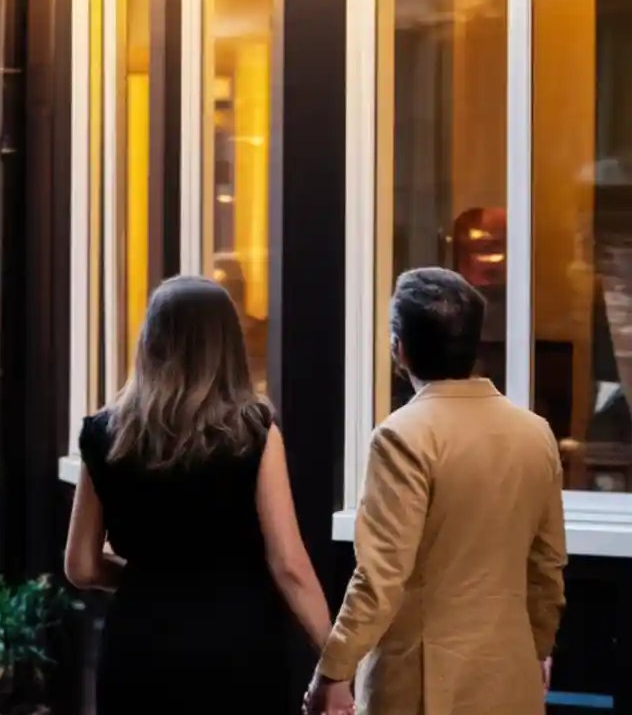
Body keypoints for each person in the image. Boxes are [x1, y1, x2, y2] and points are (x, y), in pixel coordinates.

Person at [65, 275, 335, 714]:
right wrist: (334, 661)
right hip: (238, 646)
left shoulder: (105, 434)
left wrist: (149, 578)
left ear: (150, 341)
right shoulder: (253, 430)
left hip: (140, 645)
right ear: (227, 345)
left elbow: (80, 566)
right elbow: (288, 564)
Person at [305, 267, 567, 715]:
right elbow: (547, 565)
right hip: (510, 677)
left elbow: (381, 576)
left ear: (398, 349)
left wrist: (334, 670)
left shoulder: (402, 436)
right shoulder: (535, 433)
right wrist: (537, 646)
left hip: (423, 684)